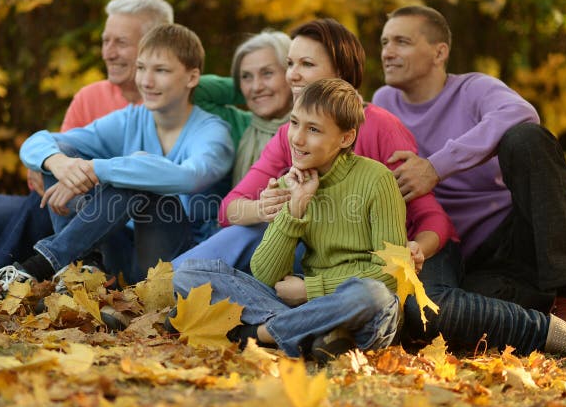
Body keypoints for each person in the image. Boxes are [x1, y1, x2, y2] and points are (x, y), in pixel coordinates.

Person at [369, 5, 566, 358]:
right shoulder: (383, 102)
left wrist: (436, 167)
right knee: (455, 307)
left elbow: (521, 112)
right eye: (385, 42)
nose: (387, 52)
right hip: (478, 261)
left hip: (534, 231)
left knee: (524, 138)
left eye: (402, 41)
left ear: (439, 52)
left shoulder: (473, 88)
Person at [172, 18, 454, 277]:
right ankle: (169, 283)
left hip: (371, 265)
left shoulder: (381, 127)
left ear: (340, 72)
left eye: (306, 64)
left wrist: (415, 250)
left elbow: (431, 217)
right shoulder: (290, 134)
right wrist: (263, 208)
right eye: (290, 64)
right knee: (251, 231)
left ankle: (174, 284)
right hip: (312, 257)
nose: (292, 75)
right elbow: (228, 210)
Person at [0, 0, 174, 279]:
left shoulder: (170, 108)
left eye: (120, 43)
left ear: (154, 48)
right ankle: (46, 261)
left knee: (70, 207)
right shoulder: (90, 96)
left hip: (122, 230)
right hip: (67, 211)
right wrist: (54, 163)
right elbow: (49, 174)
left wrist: (83, 175)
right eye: (105, 41)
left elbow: (154, 186)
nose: (108, 53)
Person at [0, 23, 234, 296]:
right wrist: (60, 163)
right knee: (62, 153)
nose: (146, 81)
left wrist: (96, 168)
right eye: (141, 68)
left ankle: (47, 263)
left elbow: (189, 177)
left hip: (174, 264)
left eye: (161, 70)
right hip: (119, 254)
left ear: (192, 77)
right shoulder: (131, 119)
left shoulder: (213, 132)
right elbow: (40, 142)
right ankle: (82, 271)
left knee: (139, 171)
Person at [173, 79, 408, 363]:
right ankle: (318, 336)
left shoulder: (377, 180)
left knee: (371, 294)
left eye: (313, 129)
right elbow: (265, 276)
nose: (296, 138)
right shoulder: (292, 182)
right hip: (306, 305)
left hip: (363, 311)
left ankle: (260, 333)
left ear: (346, 138)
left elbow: (392, 273)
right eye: (294, 123)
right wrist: (295, 209)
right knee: (189, 274)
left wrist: (310, 290)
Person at [228, 30, 293, 185]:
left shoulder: (313, 132)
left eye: (267, 73)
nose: (256, 87)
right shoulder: (235, 126)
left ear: (291, 74)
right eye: (246, 76)